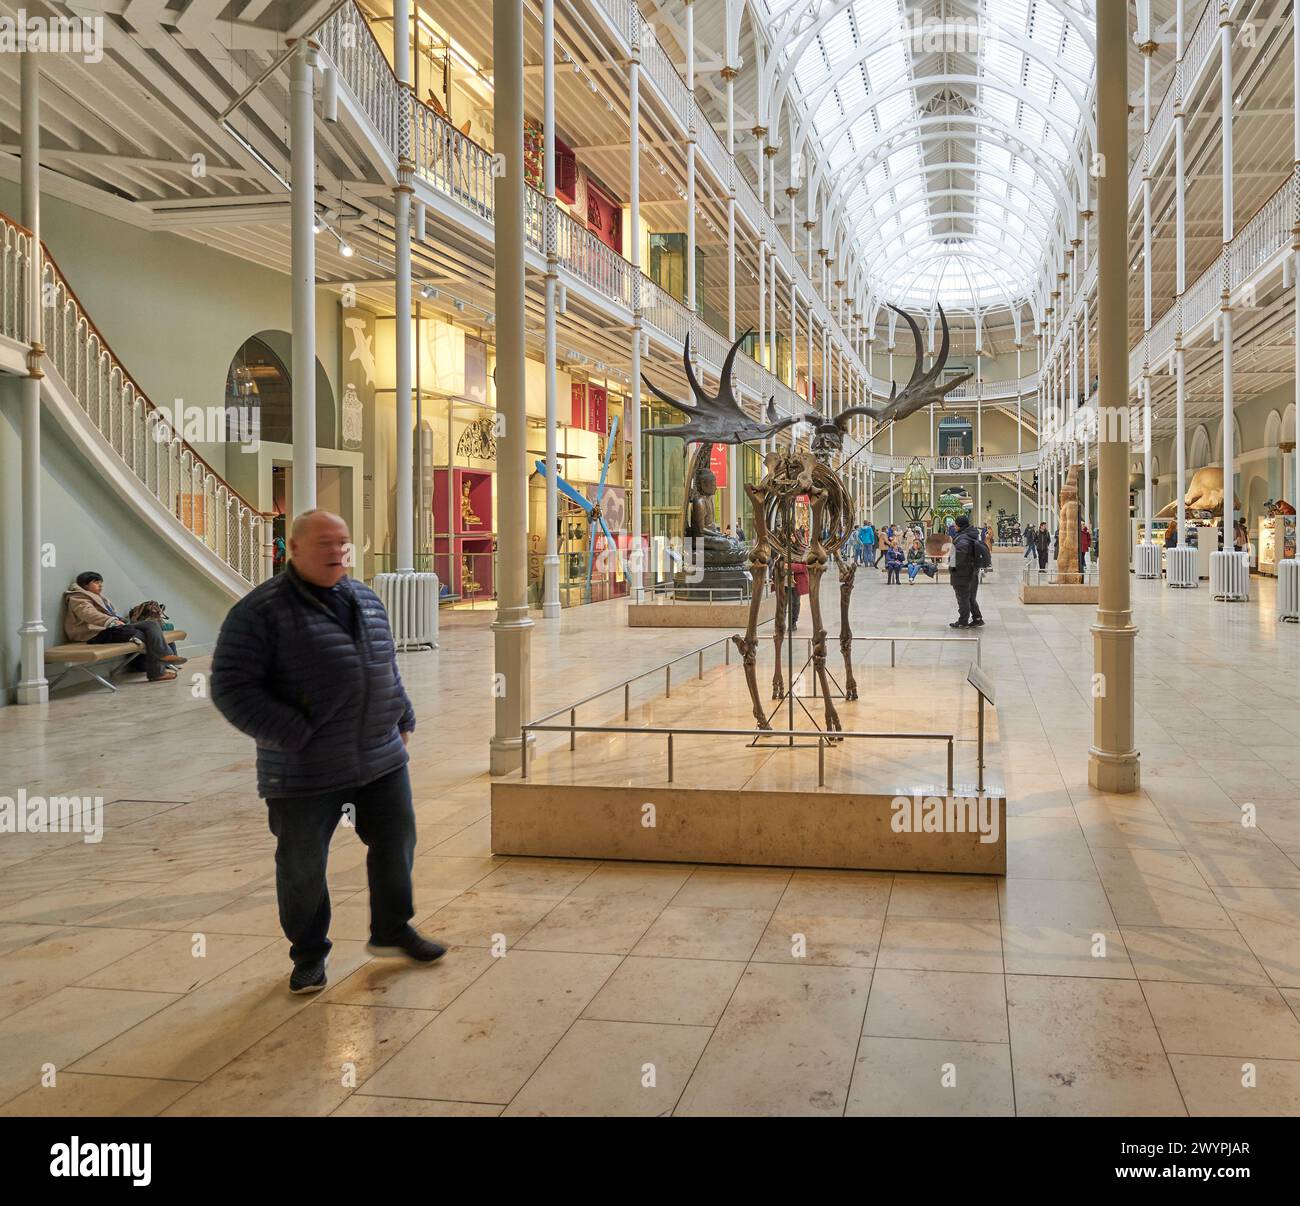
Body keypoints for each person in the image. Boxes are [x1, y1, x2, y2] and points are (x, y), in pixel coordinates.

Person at [211, 509, 444, 995]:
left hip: (379, 758)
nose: (337, 551)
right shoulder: (259, 613)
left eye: (342, 542)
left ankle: (392, 930)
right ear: (292, 549)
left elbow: (384, 664)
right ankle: (309, 954)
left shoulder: (365, 597)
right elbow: (232, 688)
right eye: (323, 543)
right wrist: (295, 735)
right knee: (302, 867)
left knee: (397, 844)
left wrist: (403, 716)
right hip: (303, 770)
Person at [62, 572, 186, 683]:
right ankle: (159, 668)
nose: (100, 585)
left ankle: (162, 659)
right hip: (95, 634)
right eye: (96, 582)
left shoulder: (100, 598)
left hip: (112, 629)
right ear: (84, 585)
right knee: (147, 636)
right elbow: (89, 614)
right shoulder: (78, 598)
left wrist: (121, 621)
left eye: (101, 583)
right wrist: (111, 621)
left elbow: (113, 615)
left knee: (152, 624)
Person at [948, 515, 991, 627]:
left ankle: (963, 621)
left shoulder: (963, 539)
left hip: (963, 574)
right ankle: (977, 618)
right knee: (970, 597)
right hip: (972, 572)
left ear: (960, 525)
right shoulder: (971, 535)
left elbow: (958, 556)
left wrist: (951, 567)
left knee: (962, 598)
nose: (954, 525)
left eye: (955, 524)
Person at [788, 558, 809, 629]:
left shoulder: (802, 552)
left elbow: (805, 567)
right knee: (783, 604)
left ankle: (793, 622)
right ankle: (780, 623)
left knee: (795, 603)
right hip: (783, 582)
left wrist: (791, 566)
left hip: (796, 583)